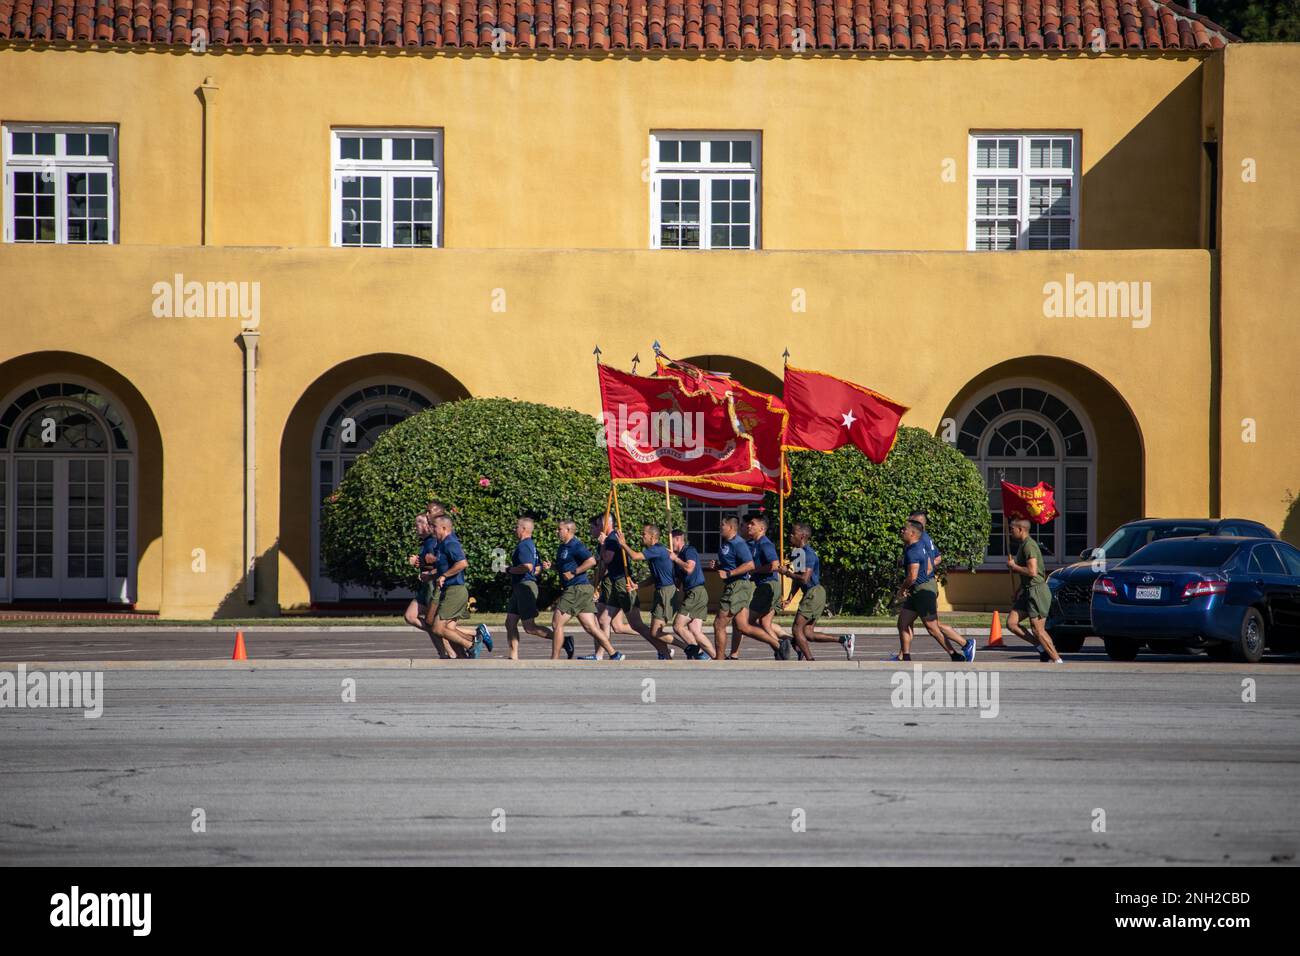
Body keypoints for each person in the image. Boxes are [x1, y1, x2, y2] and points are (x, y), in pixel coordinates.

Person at [889, 519, 976, 662]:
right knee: (903, 622)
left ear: (912, 533)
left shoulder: (914, 551)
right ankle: (905, 657)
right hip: (918, 589)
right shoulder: (917, 547)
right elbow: (931, 564)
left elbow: (912, 576)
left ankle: (956, 654)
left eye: (904, 529)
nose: (901, 531)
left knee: (932, 627)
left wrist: (902, 589)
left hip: (922, 590)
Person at [545, 519, 624, 661]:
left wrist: (575, 572)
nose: (557, 532)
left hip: (577, 589)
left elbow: (592, 561)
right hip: (578, 589)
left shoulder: (576, 545)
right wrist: (552, 566)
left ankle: (554, 659)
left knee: (557, 624)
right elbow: (564, 569)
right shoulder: (563, 547)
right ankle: (614, 654)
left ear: (568, 530)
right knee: (591, 627)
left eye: (559, 529)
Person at [708, 515, 781, 660]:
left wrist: (729, 573)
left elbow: (750, 565)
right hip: (736, 585)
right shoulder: (727, 544)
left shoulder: (739, 543)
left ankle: (720, 660)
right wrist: (718, 567)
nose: (720, 527)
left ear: (731, 527)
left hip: (740, 586)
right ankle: (778, 644)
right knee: (743, 626)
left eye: (722, 525)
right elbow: (734, 564)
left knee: (719, 623)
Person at [595, 515, 669, 657]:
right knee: (604, 620)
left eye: (599, 525)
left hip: (623, 583)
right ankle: (601, 655)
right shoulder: (609, 538)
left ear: (606, 524)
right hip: (616, 582)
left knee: (637, 624)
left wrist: (602, 545)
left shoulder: (610, 539)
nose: (598, 529)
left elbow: (607, 559)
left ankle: (663, 649)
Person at [779, 522, 854, 661]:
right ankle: (844, 640)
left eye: (793, 533)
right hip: (812, 593)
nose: (790, 535)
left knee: (796, 629)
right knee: (807, 633)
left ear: (802, 536)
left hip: (814, 593)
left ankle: (810, 660)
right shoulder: (797, 554)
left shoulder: (808, 554)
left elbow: (804, 579)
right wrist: (790, 598)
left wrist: (787, 573)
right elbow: (798, 580)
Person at [607, 523, 682, 659]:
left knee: (655, 632)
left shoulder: (657, 549)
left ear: (653, 537)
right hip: (660, 591)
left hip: (666, 593)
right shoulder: (655, 552)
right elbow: (654, 578)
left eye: (644, 534)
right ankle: (666, 654)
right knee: (655, 631)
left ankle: (687, 647)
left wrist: (623, 544)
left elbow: (635, 557)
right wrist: (638, 586)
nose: (642, 537)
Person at [429, 514, 489, 658]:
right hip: (448, 590)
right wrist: (431, 575)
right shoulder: (442, 545)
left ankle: (472, 645)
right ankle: (467, 651)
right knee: (449, 629)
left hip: (454, 591)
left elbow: (462, 563)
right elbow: (445, 568)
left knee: (437, 627)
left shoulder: (451, 543)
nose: (432, 530)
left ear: (444, 528)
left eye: (435, 527)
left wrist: (444, 576)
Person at [1005, 518, 1063, 663]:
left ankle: (1057, 659)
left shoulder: (1029, 546)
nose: (1010, 532)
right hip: (1027, 590)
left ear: (1020, 529)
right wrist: (1018, 590)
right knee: (1012, 623)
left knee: (1038, 630)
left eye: (1012, 529)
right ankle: (1041, 648)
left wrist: (1014, 567)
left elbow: (1032, 571)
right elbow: (1027, 576)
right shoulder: (1022, 545)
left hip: (1037, 591)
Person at [739, 513, 792, 660]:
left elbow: (774, 565)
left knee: (746, 623)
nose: (749, 526)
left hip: (767, 586)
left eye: (753, 524)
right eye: (748, 524)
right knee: (764, 623)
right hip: (769, 585)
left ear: (762, 528)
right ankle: (784, 648)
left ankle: (779, 644)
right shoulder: (755, 544)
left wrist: (754, 570)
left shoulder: (764, 543)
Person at [503, 516, 553, 660]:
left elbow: (528, 567)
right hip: (521, 586)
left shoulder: (524, 545)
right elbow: (536, 569)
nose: (514, 529)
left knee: (529, 627)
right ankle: (513, 655)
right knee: (510, 622)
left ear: (524, 529)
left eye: (516, 527)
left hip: (525, 587)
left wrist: (509, 570)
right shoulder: (530, 545)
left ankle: (561, 640)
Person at [403, 513, 454, 658]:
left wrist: (421, 563)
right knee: (411, 616)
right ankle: (444, 653)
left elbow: (440, 564)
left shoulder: (432, 542)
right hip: (425, 587)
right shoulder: (426, 542)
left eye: (418, 524)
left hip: (432, 586)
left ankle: (455, 647)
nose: (415, 527)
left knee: (432, 623)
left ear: (426, 526)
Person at [669, 529, 715, 660]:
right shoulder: (677, 557)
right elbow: (678, 580)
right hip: (690, 593)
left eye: (671, 540)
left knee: (678, 626)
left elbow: (689, 568)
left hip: (696, 592)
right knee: (695, 631)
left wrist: (675, 559)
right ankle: (717, 657)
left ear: (678, 539)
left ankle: (698, 652)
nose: (669, 543)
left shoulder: (689, 551)